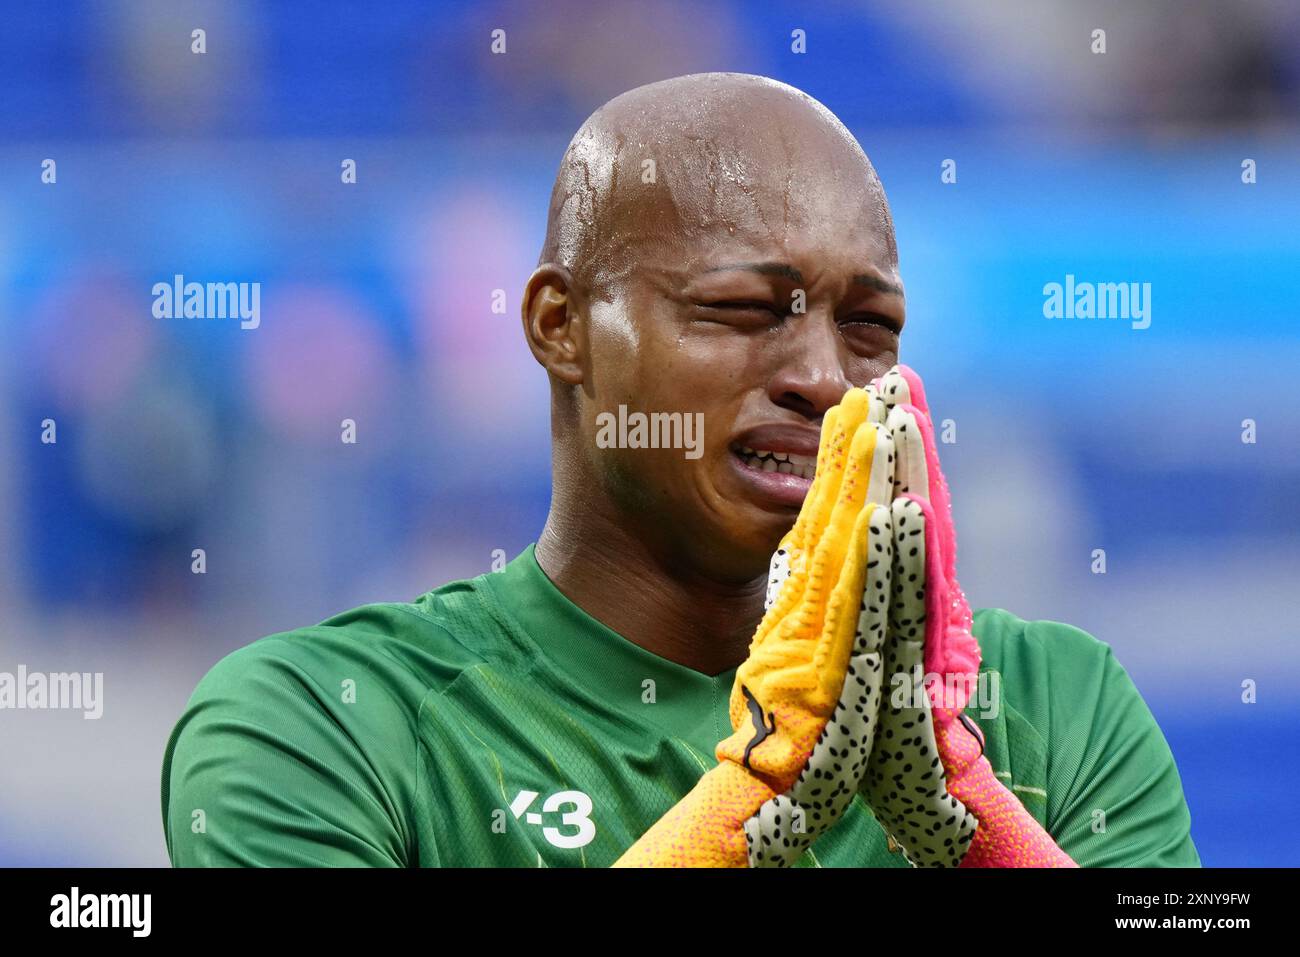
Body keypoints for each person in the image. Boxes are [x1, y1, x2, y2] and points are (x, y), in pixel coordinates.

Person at [161, 73, 1199, 867]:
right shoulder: (325, 720)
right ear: (561, 327)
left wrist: (974, 827)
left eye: (870, 329)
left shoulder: (1049, 703)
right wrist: (750, 794)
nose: (824, 379)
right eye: (742, 310)